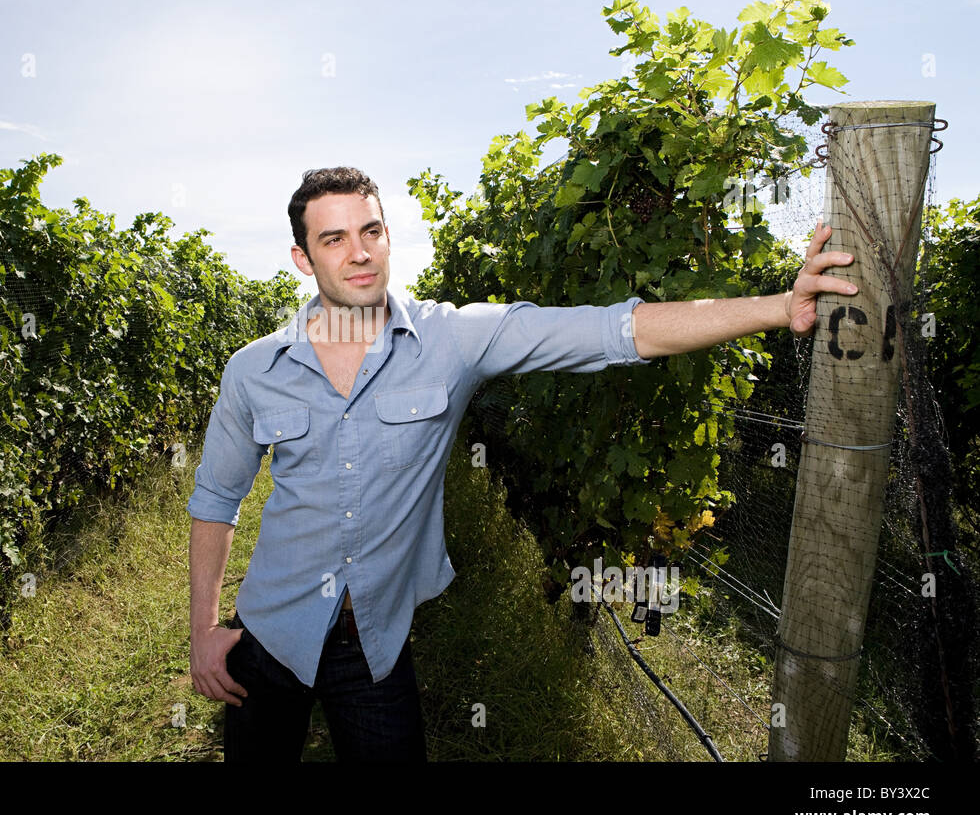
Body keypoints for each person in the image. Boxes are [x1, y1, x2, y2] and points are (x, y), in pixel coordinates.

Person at [187, 166, 857, 762]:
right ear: (303, 259)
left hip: (376, 645)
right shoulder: (255, 371)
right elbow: (216, 499)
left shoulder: (452, 339)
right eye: (333, 239)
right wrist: (206, 633)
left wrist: (777, 307)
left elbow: (615, 330)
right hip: (268, 635)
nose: (359, 253)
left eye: (372, 231)